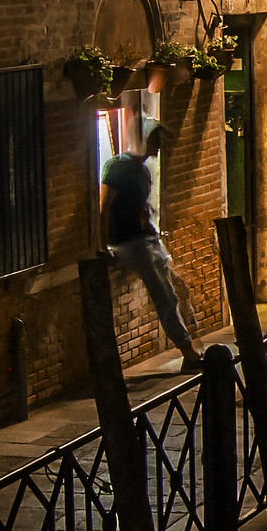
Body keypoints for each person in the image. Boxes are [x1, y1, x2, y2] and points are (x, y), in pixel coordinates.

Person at [100, 123, 202, 371]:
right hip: (129, 242)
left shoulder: (142, 170)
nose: (157, 150)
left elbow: (139, 203)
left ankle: (191, 345)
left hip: (147, 238)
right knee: (165, 296)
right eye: (155, 143)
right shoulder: (117, 167)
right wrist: (103, 247)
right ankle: (188, 353)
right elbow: (103, 208)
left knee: (177, 289)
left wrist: (147, 215)